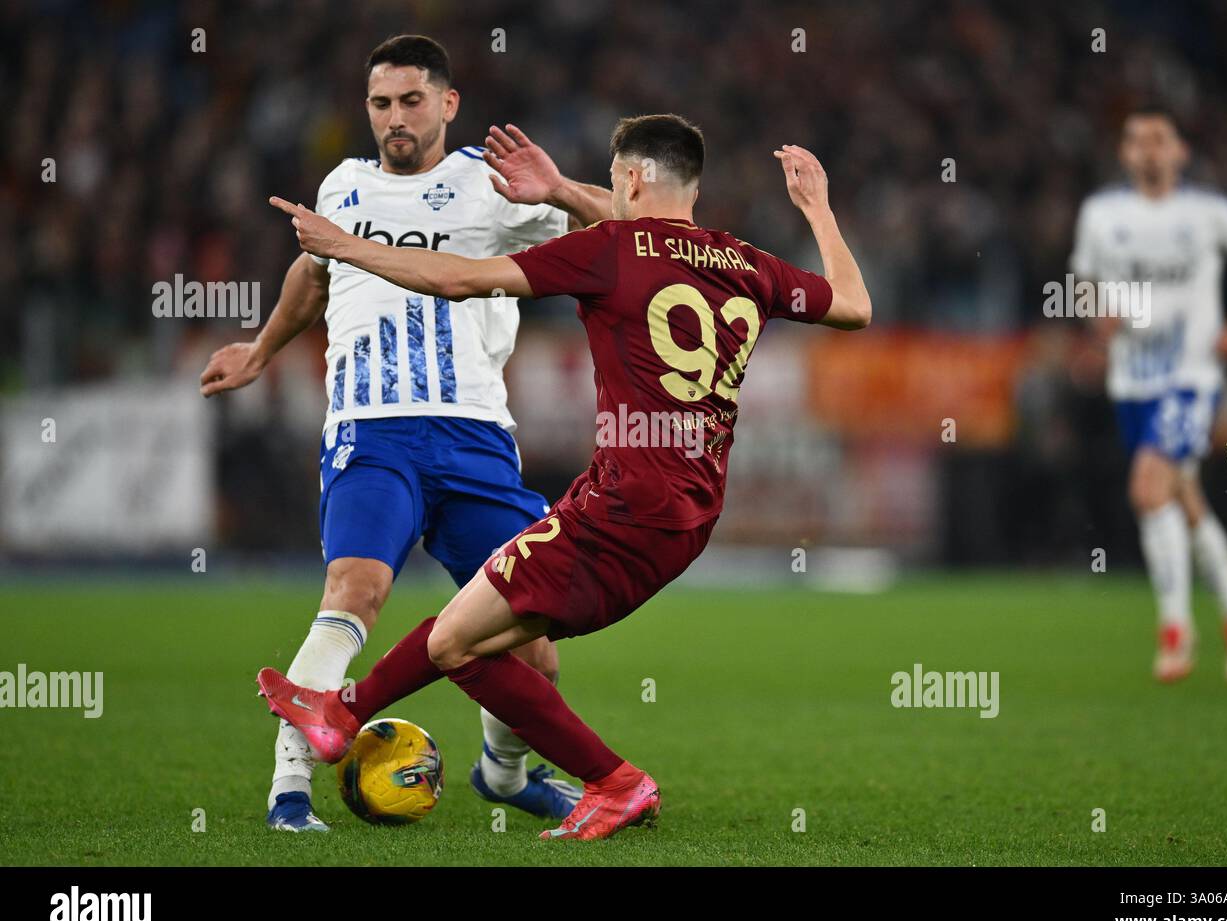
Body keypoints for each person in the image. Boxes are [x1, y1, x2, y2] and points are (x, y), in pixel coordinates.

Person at [258, 113, 871, 841]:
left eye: (615, 180)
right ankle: (378, 727)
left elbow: (457, 279)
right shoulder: (745, 263)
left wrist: (347, 248)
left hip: (623, 504)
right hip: (691, 513)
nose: (609, 192)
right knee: (479, 642)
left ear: (633, 178)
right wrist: (818, 210)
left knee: (454, 642)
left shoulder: (608, 249)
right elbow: (855, 306)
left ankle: (606, 779)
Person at [199, 35, 612, 831]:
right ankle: (289, 789)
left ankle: (503, 772)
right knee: (357, 590)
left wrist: (559, 187)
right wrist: (261, 348)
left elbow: (622, 227)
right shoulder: (343, 185)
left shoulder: (490, 188)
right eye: (381, 103)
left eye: (411, 101)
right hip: (371, 432)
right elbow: (313, 271)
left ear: (448, 104)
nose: (395, 118)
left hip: (476, 436)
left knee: (533, 641)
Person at [1070, 106, 1227, 683]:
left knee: (1147, 486)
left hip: (1192, 376)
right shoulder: (1101, 215)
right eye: (1137, 140)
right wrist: (1095, 318)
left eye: (1160, 139)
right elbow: (1084, 285)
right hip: (1132, 380)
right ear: (1125, 155)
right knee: (1182, 499)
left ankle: (1176, 629)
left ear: (1180, 152)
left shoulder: (1210, 214)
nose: (1149, 149)